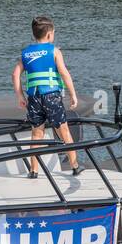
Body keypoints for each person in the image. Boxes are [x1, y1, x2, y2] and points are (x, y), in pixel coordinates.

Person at [13, 15, 80, 178]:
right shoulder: (54, 51)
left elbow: (15, 74)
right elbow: (64, 73)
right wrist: (73, 94)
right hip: (51, 96)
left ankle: (34, 170)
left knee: (36, 134)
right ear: (49, 34)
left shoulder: (26, 53)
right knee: (63, 130)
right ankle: (75, 165)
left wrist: (20, 96)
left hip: (34, 97)